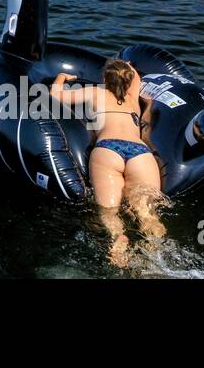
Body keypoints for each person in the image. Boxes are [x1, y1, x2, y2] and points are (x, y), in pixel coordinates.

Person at [50, 59, 165, 267]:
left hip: (108, 149)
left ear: (105, 78)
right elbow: (135, 77)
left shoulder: (95, 92)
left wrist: (61, 77)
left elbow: (55, 95)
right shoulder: (133, 97)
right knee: (148, 214)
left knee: (109, 210)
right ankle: (157, 253)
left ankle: (117, 238)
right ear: (128, 80)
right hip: (140, 152)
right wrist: (127, 65)